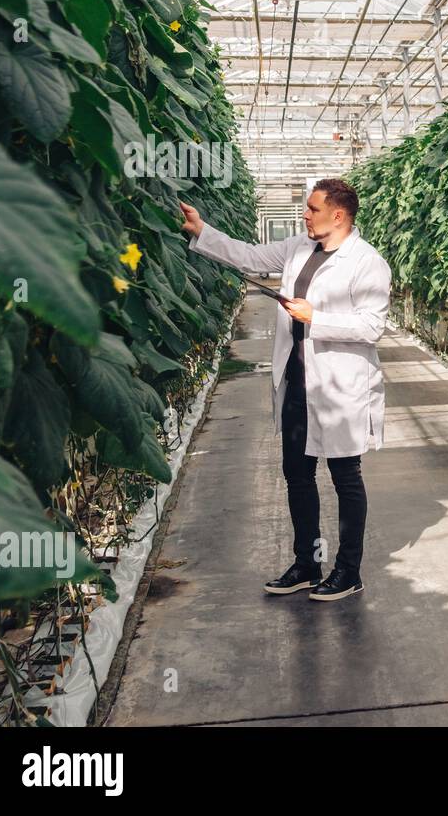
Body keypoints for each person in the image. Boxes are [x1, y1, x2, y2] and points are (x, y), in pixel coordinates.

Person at [178, 178, 392, 602]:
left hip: (337, 387)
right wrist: (203, 231)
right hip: (297, 381)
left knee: (345, 477)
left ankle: (348, 571)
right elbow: (251, 256)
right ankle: (307, 565)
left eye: (312, 209)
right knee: (297, 475)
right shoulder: (299, 248)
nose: (305, 215)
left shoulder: (367, 263)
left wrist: (317, 317)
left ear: (338, 215)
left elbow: (372, 327)